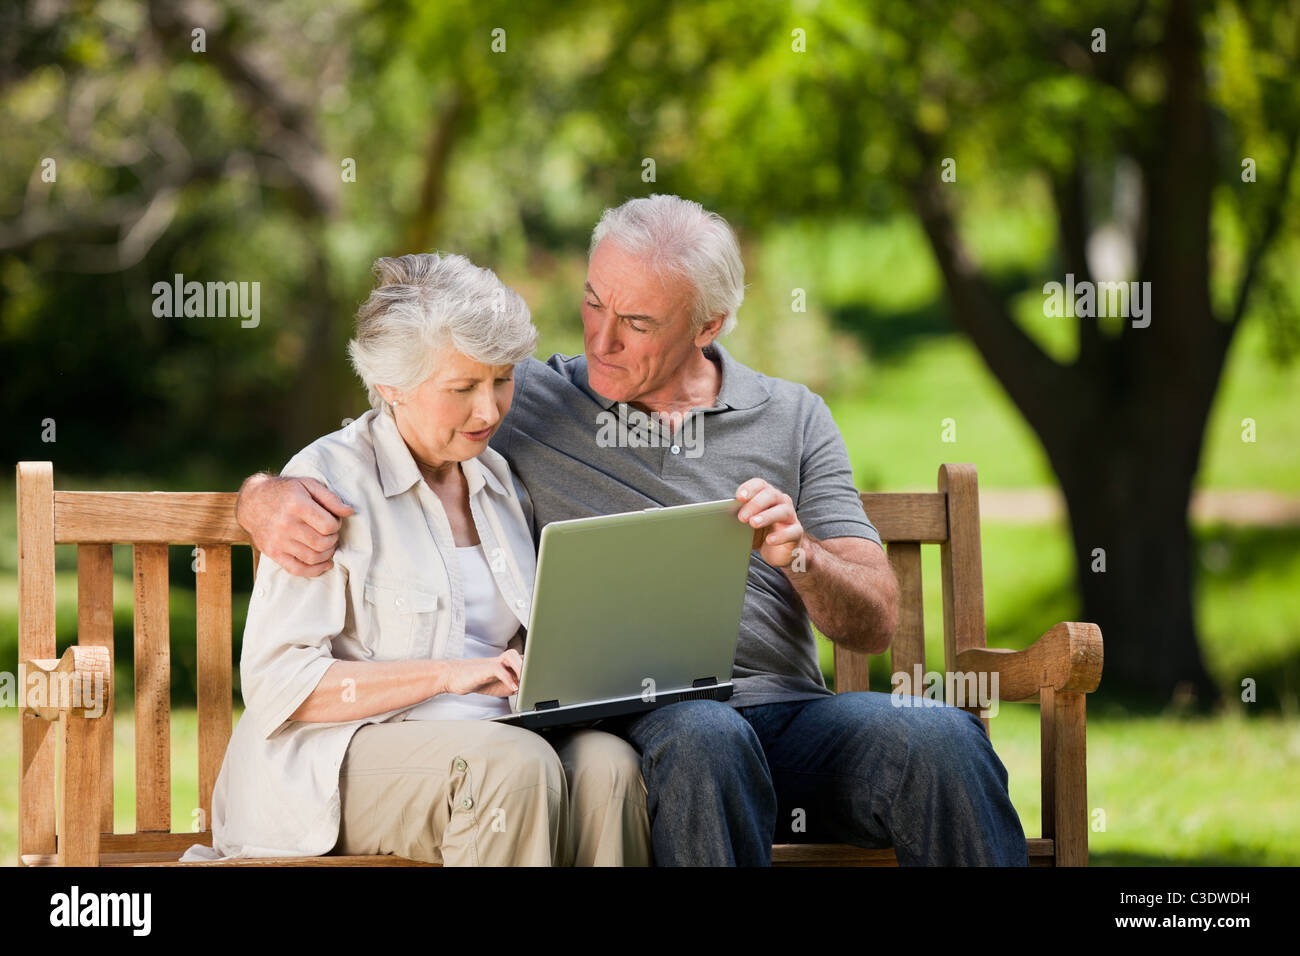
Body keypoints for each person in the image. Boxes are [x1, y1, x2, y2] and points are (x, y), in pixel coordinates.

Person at [234, 195, 1029, 866]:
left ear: (709, 323)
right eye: (592, 302)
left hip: (789, 714)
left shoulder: (793, 417)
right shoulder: (527, 404)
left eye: (637, 322)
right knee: (703, 735)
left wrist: (802, 556)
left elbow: (874, 620)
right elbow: (395, 422)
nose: (600, 338)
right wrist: (261, 497)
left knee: (940, 737)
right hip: (646, 719)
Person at [182, 253, 651, 866]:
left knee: (608, 765)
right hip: (343, 763)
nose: (489, 411)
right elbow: (281, 687)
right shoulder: (327, 485)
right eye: (462, 389)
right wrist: (448, 672)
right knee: (515, 768)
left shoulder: (497, 480)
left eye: (502, 380)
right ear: (390, 386)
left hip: (492, 743)